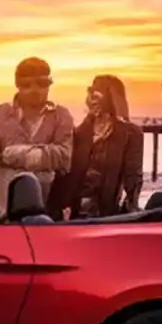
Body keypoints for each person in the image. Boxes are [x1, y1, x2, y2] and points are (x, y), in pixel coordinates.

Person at [0, 57, 74, 221]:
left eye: (41, 84)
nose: (34, 90)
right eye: (27, 85)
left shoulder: (61, 116)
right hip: (3, 208)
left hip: (47, 207)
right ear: (18, 85)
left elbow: (65, 158)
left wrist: (20, 154)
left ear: (49, 85)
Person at [48, 74, 143, 220]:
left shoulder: (130, 134)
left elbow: (133, 178)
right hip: (74, 214)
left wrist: (131, 213)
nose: (92, 100)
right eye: (90, 93)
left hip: (107, 213)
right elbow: (66, 175)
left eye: (98, 95)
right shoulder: (78, 133)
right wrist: (60, 210)